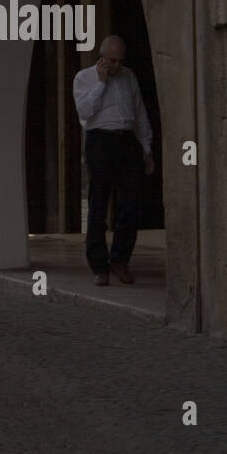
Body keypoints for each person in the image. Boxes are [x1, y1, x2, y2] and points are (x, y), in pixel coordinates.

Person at [71, 35, 154, 286]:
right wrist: (101, 83)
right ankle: (99, 266)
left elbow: (139, 112)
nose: (117, 66)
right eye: (112, 60)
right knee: (98, 203)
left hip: (127, 141)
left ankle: (120, 260)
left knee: (131, 203)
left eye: (120, 61)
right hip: (100, 141)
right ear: (102, 56)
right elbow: (85, 112)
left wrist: (147, 148)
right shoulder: (83, 78)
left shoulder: (129, 76)